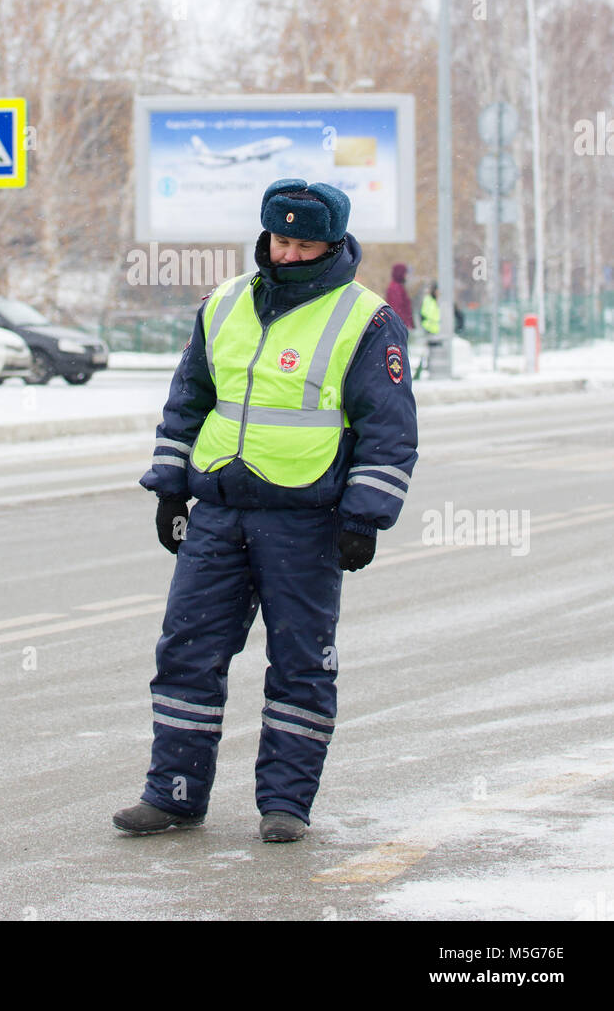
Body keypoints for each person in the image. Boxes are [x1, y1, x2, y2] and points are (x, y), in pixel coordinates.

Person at [112, 178, 418, 843]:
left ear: (333, 244)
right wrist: (170, 484)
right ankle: (174, 793)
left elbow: (387, 430)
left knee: (301, 660)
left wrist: (364, 517)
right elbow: (189, 398)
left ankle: (285, 803)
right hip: (219, 509)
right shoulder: (224, 303)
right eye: (280, 240)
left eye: (303, 244)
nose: (287, 255)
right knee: (187, 651)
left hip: (304, 519)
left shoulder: (365, 319)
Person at [386, 262, 414, 330]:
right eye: (405, 273)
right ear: (400, 273)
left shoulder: (398, 287)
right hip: (399, 326)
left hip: (400, 325)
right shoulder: (395, 288)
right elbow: (397, 309)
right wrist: (404, 324)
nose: (406, 275)